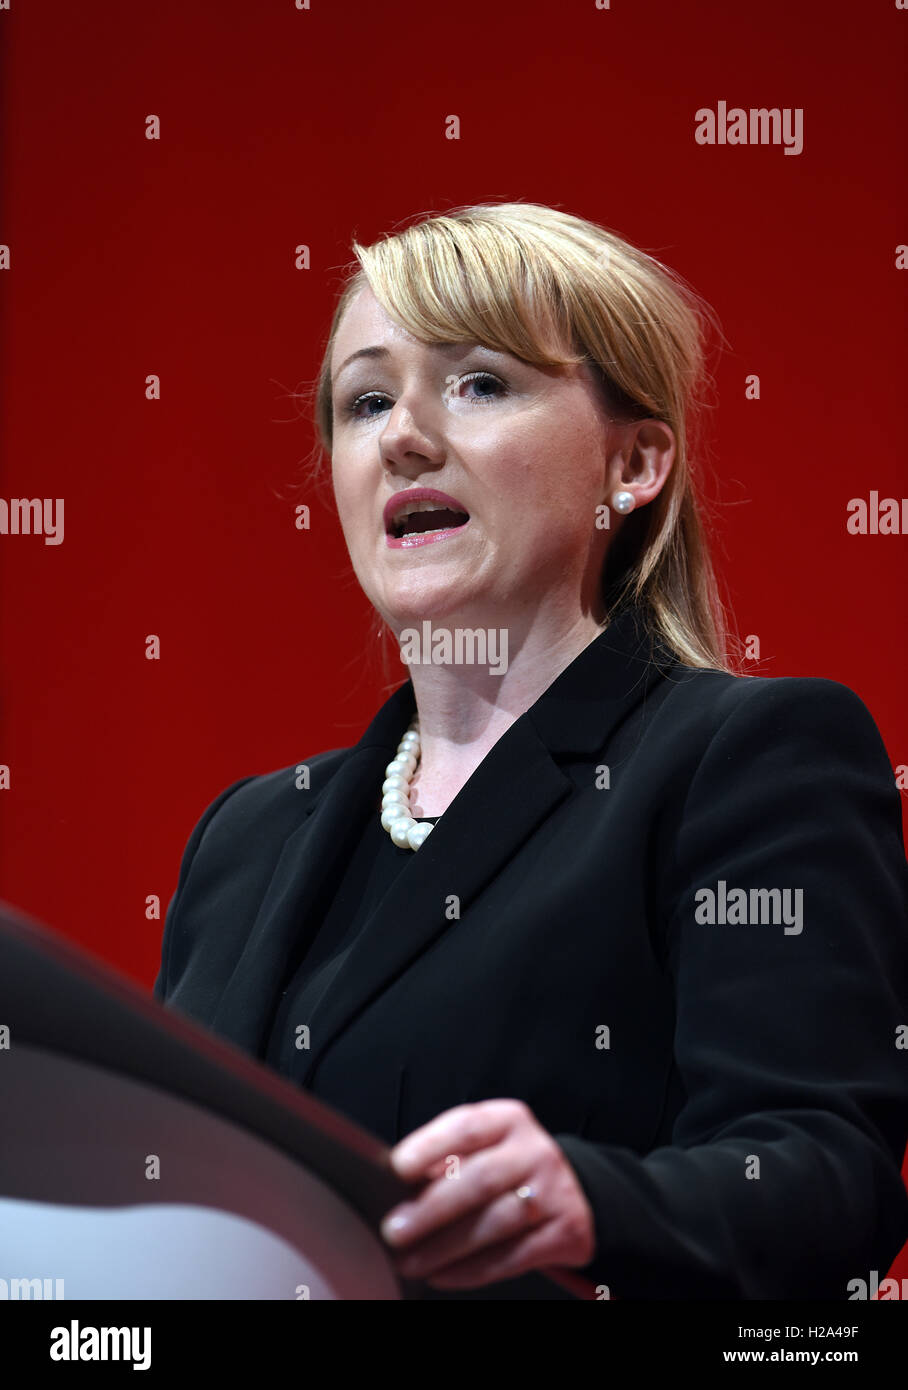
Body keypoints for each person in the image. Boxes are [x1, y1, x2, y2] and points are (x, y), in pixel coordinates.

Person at [153, 201, 908, 1300]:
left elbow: (824, 1179)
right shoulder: (248, 835)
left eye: (477, 384)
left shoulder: (742, 761)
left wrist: (591, 1202)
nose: (403, 436)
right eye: (365, 401)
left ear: (635, 462)